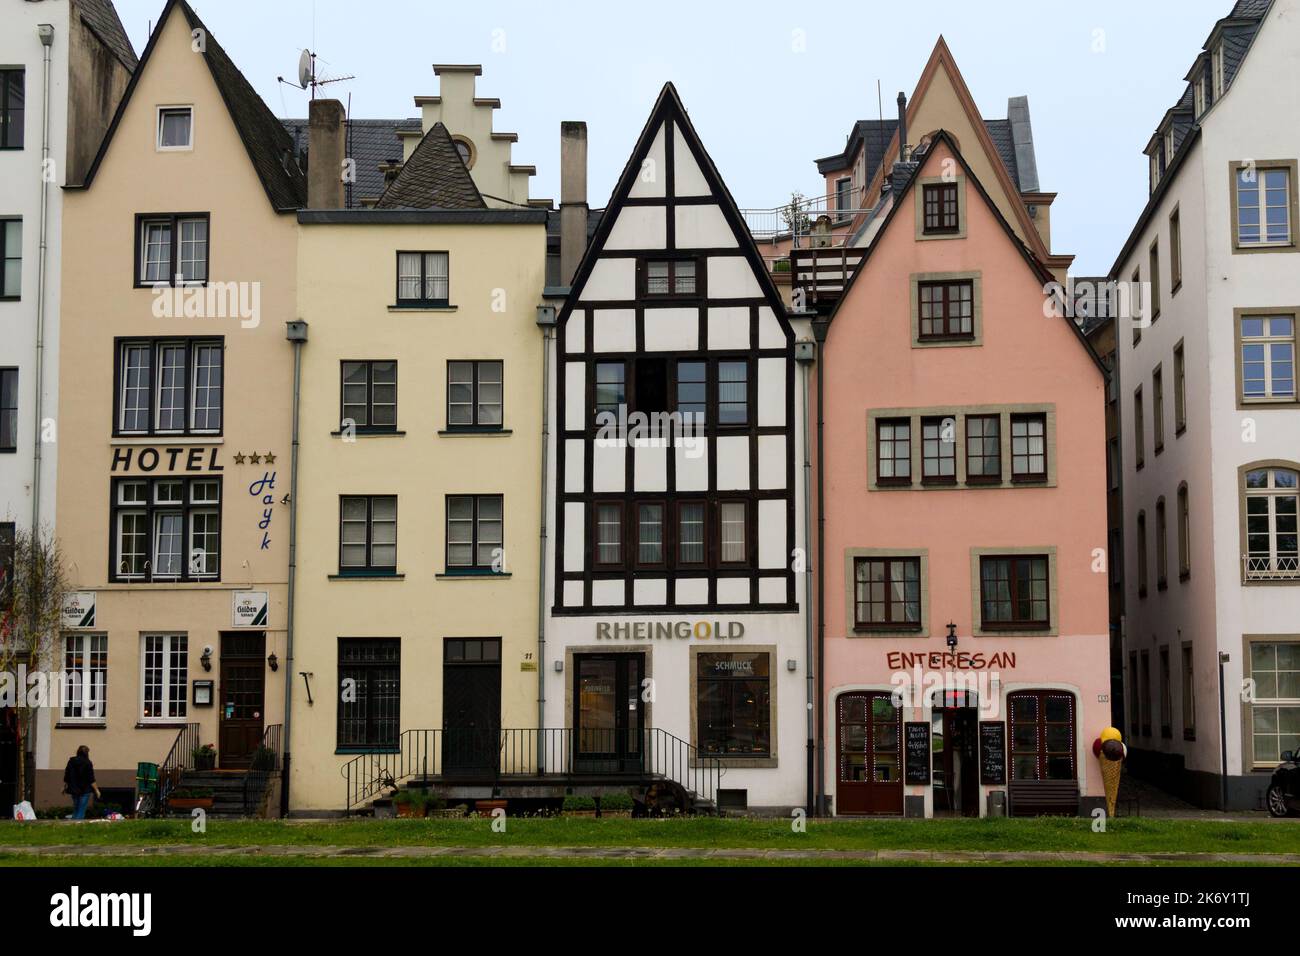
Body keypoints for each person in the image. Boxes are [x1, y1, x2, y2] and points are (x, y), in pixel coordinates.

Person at [63, 745, 100, 820]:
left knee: (76, 808)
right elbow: (91, 778)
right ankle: (78, 823)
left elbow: (67, 775)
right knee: (81, 809)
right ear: (87, 753)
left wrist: (64, 786)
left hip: (74, 788)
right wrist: (96, 790)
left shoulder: (71, 761)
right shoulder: (88, 763)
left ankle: (73, 822)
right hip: (85, 789)